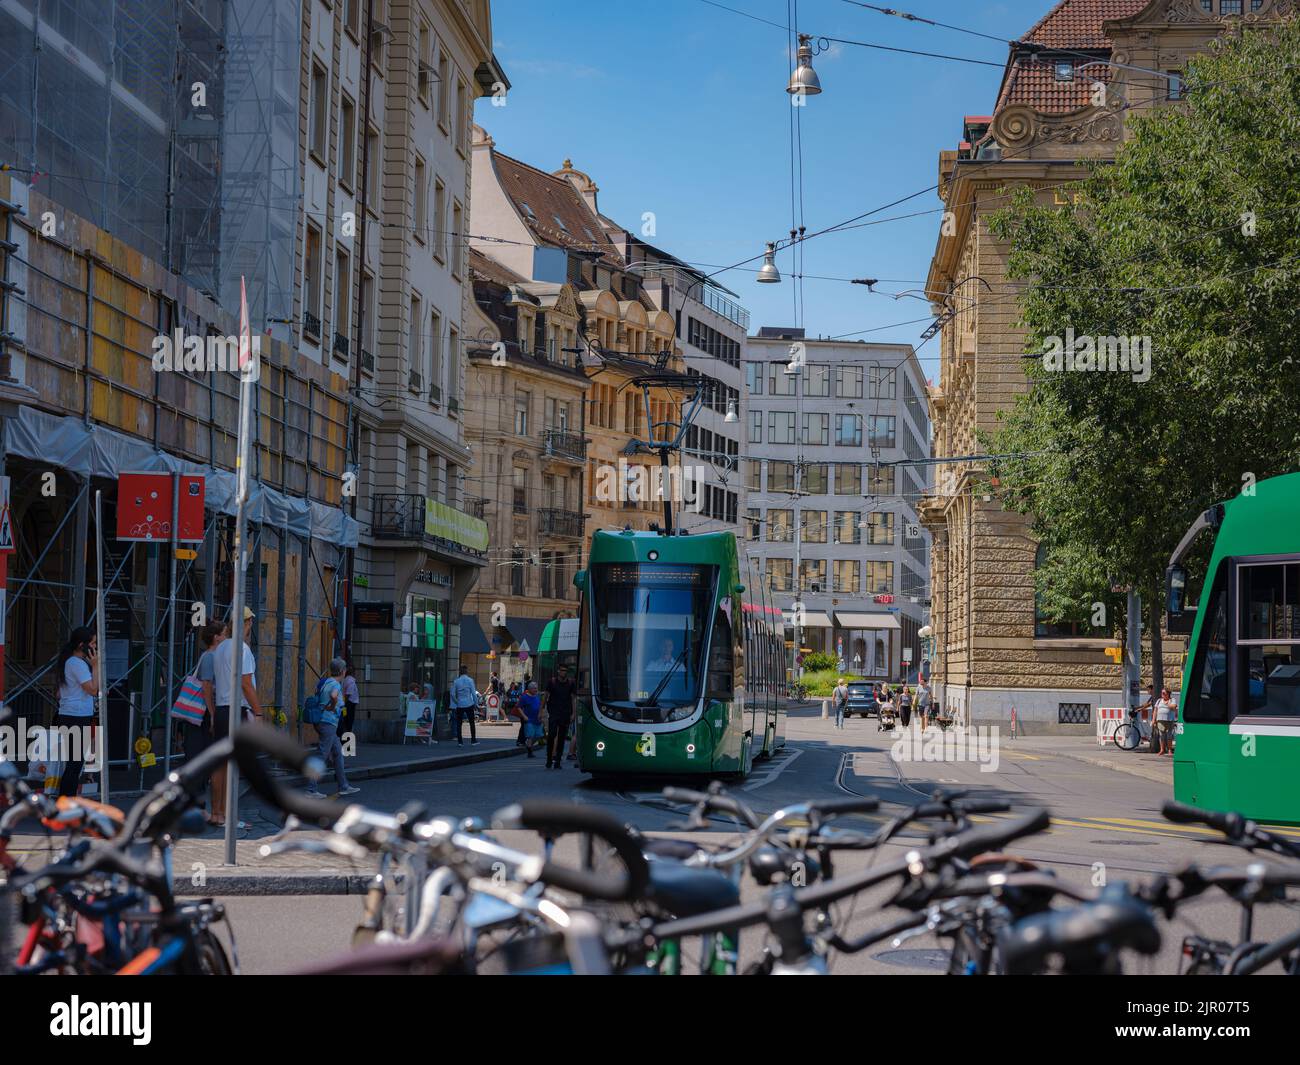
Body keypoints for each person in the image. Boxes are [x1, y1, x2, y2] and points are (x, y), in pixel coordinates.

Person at [211, 606, 264, 829]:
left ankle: (217, 813)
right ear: (248, 623)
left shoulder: (221, 647)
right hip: (237, 711)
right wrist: (259, 712)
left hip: (222, 708)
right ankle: (230, 817)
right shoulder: (242, 649)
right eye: (251, 623)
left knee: (220, 764)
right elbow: (245, 684)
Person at [54, 626, 99, 799]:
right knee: (75, 762)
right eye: (93, 643)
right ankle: (66, 800)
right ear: (82, 645)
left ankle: (67, 799)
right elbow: (93, 690)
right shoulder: (76, 663)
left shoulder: (72, 662)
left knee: (75, 761)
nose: (95, 647)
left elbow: (60, 693)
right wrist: (95, 665)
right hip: (75, 716)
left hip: (73, 714)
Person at [188, 620, 226, 823]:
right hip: (202, 713)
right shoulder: (210, 657)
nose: (227, 636)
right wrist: (212, 714)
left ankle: (200, 807)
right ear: (216, 637)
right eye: (224, 633)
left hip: (204, 712)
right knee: (204, 759)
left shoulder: (214, 656)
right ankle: (199, 807)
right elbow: (206, 687)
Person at [306, 658, 360, 797]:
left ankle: (344, 785)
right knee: (321, 755)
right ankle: (311, 789)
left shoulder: (324, 682)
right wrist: (332, 705)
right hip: (328, 723)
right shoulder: (335, 685)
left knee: (337, 753)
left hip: (321, 722)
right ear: (343, 671)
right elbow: (333, 696)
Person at [542, 664, 577, 770]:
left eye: (565, 671)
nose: (564, 672)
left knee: (562, 738)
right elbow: (545, 696)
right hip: (553, 713)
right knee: (551, 735)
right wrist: (541, 710)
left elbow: (573, 699)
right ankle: (549, 760)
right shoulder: (552, 682)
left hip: (565, 714)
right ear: (558, 671)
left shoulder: (570, 683)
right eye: (562, 670)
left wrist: (573, 713)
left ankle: (557, 761)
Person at [450, 665, 480, 746]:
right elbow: (473, 694)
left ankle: (460, 742)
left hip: (460, 705)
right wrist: (476, 704)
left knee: (459, 723)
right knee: (471, 723)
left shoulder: (456, 681)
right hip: (469, 703)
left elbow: (452, 694)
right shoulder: (470, 680)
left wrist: (457, 702)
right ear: (466, 672)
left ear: (460, 672)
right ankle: (473, 740)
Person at [518, 681, 543, 758]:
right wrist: (524, 716)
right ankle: (530, 752)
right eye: (534, 688)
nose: (536, 690)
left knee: (539, 735)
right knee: (530, 736)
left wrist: (541, 714)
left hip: (537, 719)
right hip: (529, 720)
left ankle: (529, 746)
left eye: (536, 688)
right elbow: (519, 707)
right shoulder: (524, 697)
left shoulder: (537, 696)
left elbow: (540, 706)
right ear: (530, 689)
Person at [1154, 687, 1178, 756]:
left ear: (1168, 694)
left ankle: (1170, 750)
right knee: (1162, 735)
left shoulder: (1172, 700)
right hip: (1160, 720)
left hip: (1170, 720)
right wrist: (1153, 720)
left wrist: (1167, 703)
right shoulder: (1159, 700)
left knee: (1169, 735)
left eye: (1164, 693)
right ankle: (1162, 750)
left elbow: (1174, 707)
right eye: (1162, 693)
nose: (1162, 694)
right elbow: (1155, 710)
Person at [340, 663, 360, 741]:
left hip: (346, 704)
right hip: (349, 705)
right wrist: (345, 704)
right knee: (349, 722)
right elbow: (348, 694)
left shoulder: (345, 680)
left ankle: (345, 739)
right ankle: (347, 741)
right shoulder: (351, 681)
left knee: (345, 720)